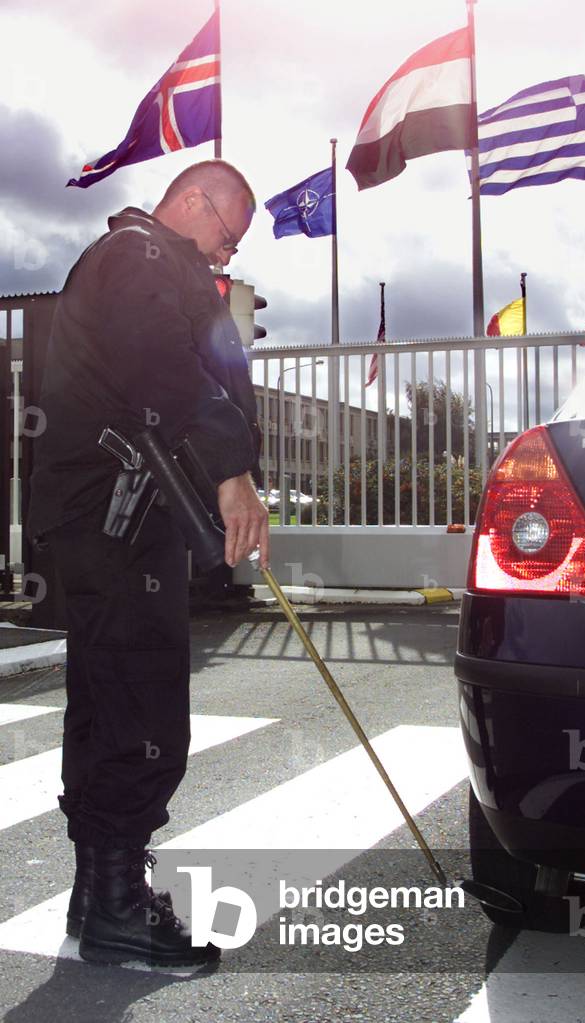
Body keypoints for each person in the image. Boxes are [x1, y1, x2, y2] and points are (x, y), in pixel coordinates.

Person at [26, 159, 270, 967]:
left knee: (106, 698)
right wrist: (233, 475)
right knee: (143, 703)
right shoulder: (140, 257)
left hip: (106, 517)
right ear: (193, 201)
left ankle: (101, 896)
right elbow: (166, 369)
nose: (226, 258)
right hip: (122, 519)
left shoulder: (135, 258)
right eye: (225, 236)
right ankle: (119, 907)